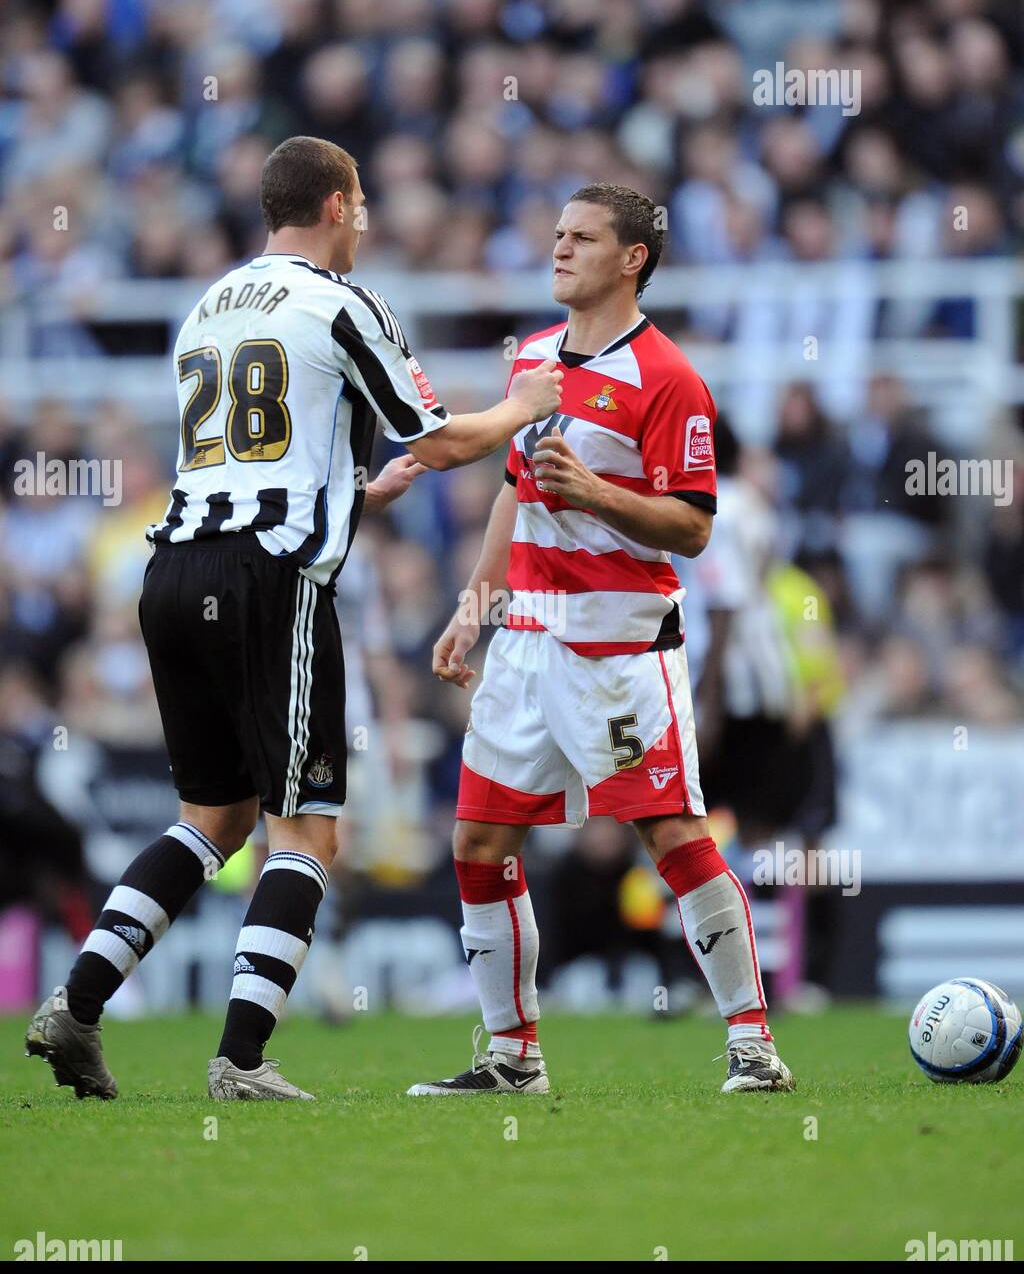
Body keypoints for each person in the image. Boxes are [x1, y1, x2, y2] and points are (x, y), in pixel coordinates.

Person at [25, 136, 562, 1101]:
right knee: (307, 833)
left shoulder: (204, 308)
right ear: (336, 205)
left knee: (212, 819)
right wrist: (522, 404)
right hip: (270, 583)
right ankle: (241, 1061)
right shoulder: (342, 301)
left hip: (171, 570)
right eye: (360, 203)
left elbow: (250, 468)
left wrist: (353, 496)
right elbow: (442, 442)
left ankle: (76, 1003)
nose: (367, 221)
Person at [409, 184, 794, 1096]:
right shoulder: (534, 360)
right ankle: (513, 1058)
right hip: (527, 643)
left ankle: (753, 1047)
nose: (559, 249)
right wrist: (477, 602)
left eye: (582, 238)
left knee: (674, 837)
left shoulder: (668, 377)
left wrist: (598, 494)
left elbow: (694, 527)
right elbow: (512, 485)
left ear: (633, 259)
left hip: (620, 648)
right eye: (555, 234)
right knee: (475, 843)